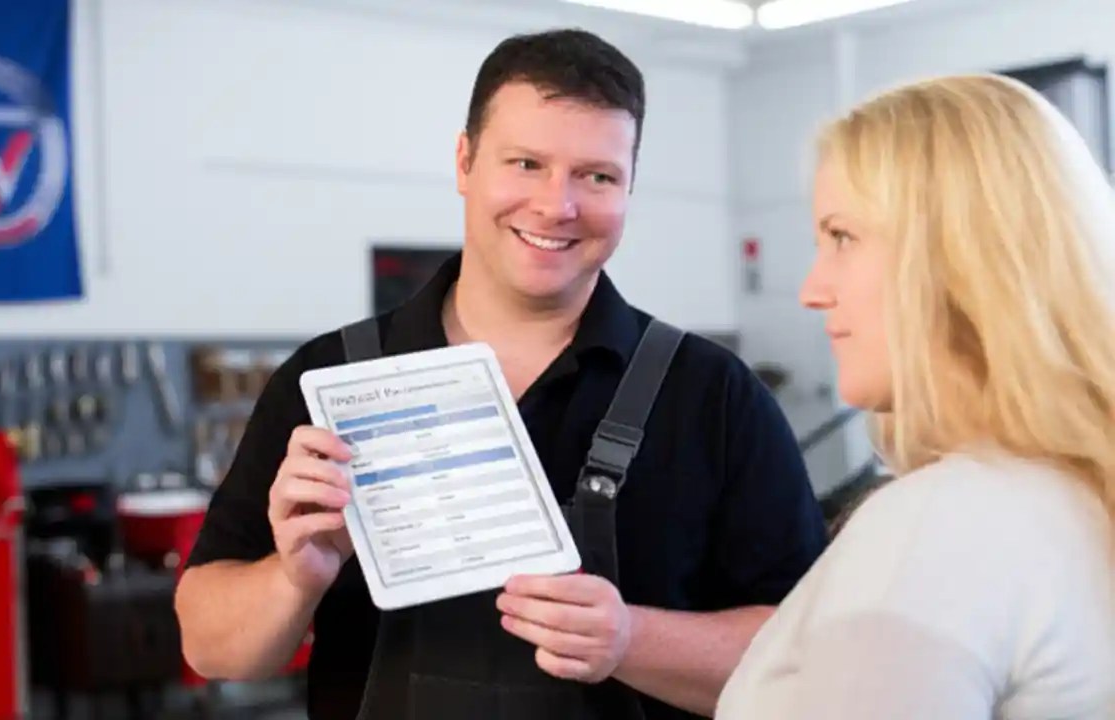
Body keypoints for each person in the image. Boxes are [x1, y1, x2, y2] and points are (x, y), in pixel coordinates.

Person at [175, 28, 827, 720]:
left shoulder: (713, 396)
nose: (556, 205)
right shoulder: (328, 380)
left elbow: (804, 659)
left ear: (630, 184)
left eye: (596, 176)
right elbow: (212, 649)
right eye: (525, 163)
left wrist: (631, 640)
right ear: (464, 161)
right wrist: (293, 579)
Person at [714, 73, 1115, 719]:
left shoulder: (943, 521)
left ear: (955, 257)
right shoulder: (1079, 500)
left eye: (842, 238)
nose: (813, 290)